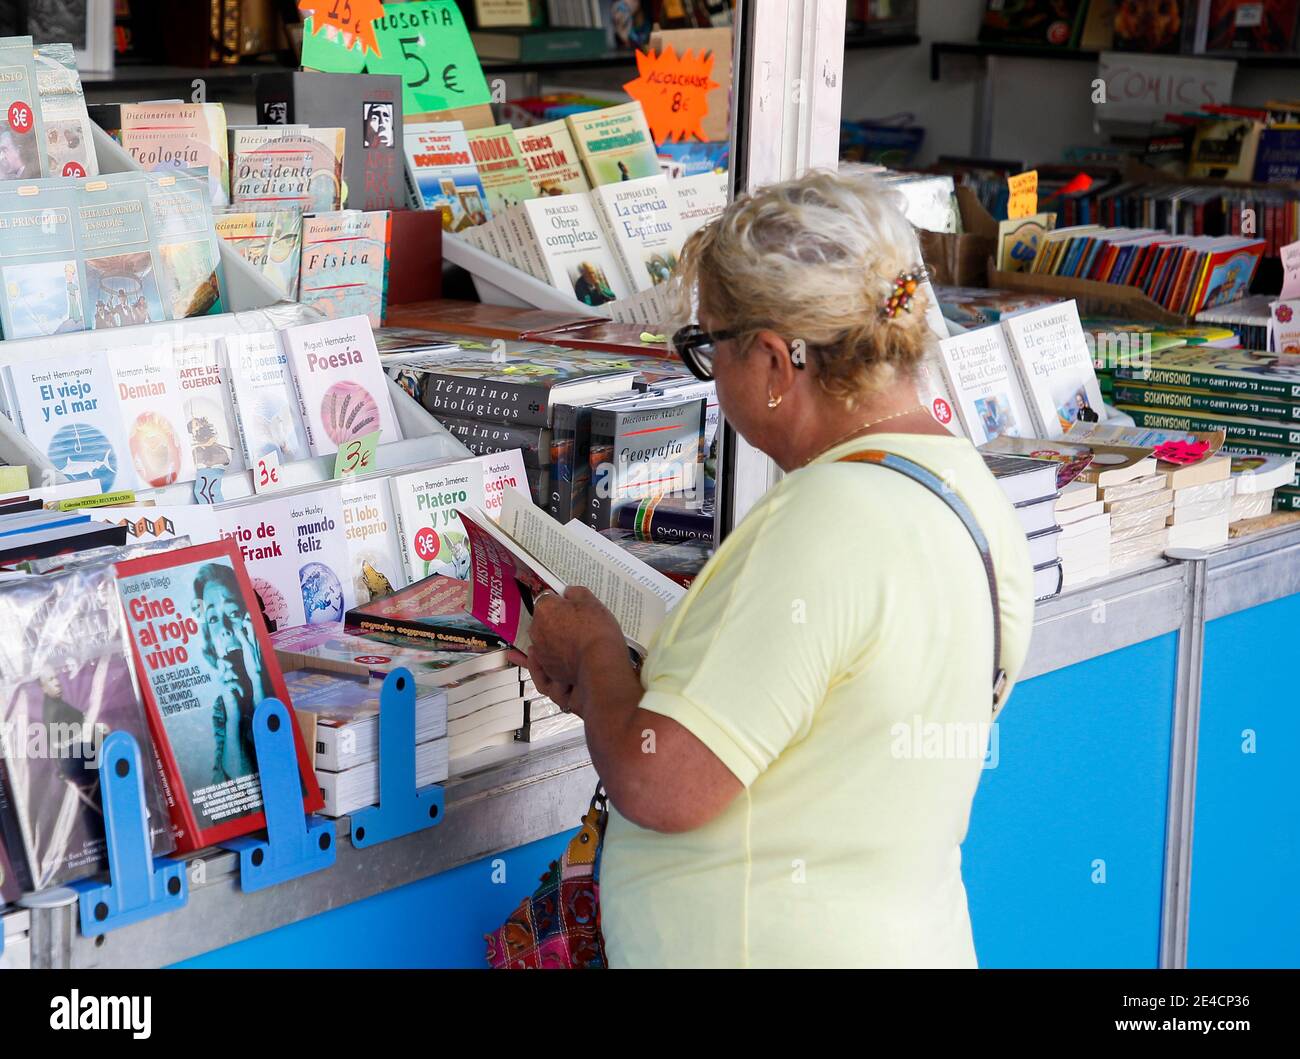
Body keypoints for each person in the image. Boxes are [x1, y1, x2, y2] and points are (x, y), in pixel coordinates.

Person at [512, 167, 1035, 968]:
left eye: (706, 348)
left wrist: (595, 653)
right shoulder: (971, 492)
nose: (713, 380)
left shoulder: (825, 522)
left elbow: (665, 784)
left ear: (770, 359)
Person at [193, 562, 275, 785]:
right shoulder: (223, 707)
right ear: (210, 639)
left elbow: (280, 774)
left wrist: (258, 683)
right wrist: (233, 716)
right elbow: (236, 802)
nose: (225, 628)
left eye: (233, 612)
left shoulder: (276, 684)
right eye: (213, 619)